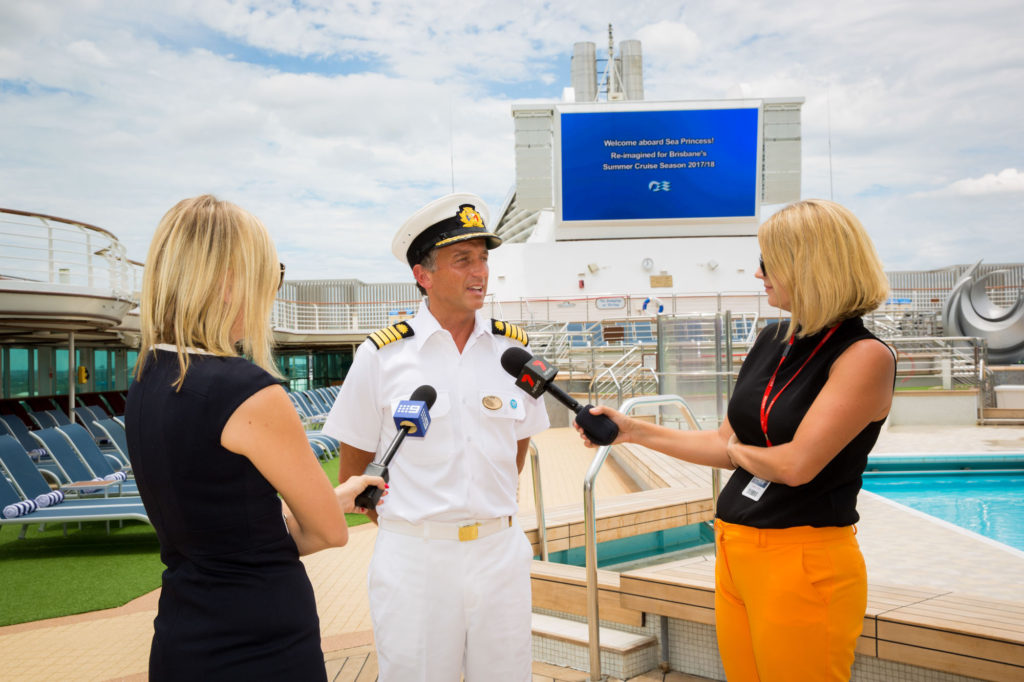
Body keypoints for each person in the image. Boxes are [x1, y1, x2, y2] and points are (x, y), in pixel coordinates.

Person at [577, 199, 896, 681]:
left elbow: (795, 465)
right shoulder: (774, 339)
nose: (758, 273)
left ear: (808, 265)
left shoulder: (864, 356)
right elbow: (726, 441)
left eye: (769, 261)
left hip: (801, 561)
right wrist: (632, 430)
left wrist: (735, 453)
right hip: (736, 549)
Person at [126, 195, 384, 681]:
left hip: (183, 637)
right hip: (260, 643)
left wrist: (329, 499)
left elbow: (218, 520)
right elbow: (327, 533)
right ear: (228, 282)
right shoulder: (245, 390)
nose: (271, 291)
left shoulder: (147, 380)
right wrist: (328, 508)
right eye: (270, 275)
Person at [323, 193, 550, 682]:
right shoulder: (382, 357)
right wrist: (423, 530)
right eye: (462, 259)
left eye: (484, 258)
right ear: (422, 275)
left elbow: (518, 445)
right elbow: (357, 473)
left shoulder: (513, 351)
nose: (480, 272)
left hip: (499, 552)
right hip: (417, 560)